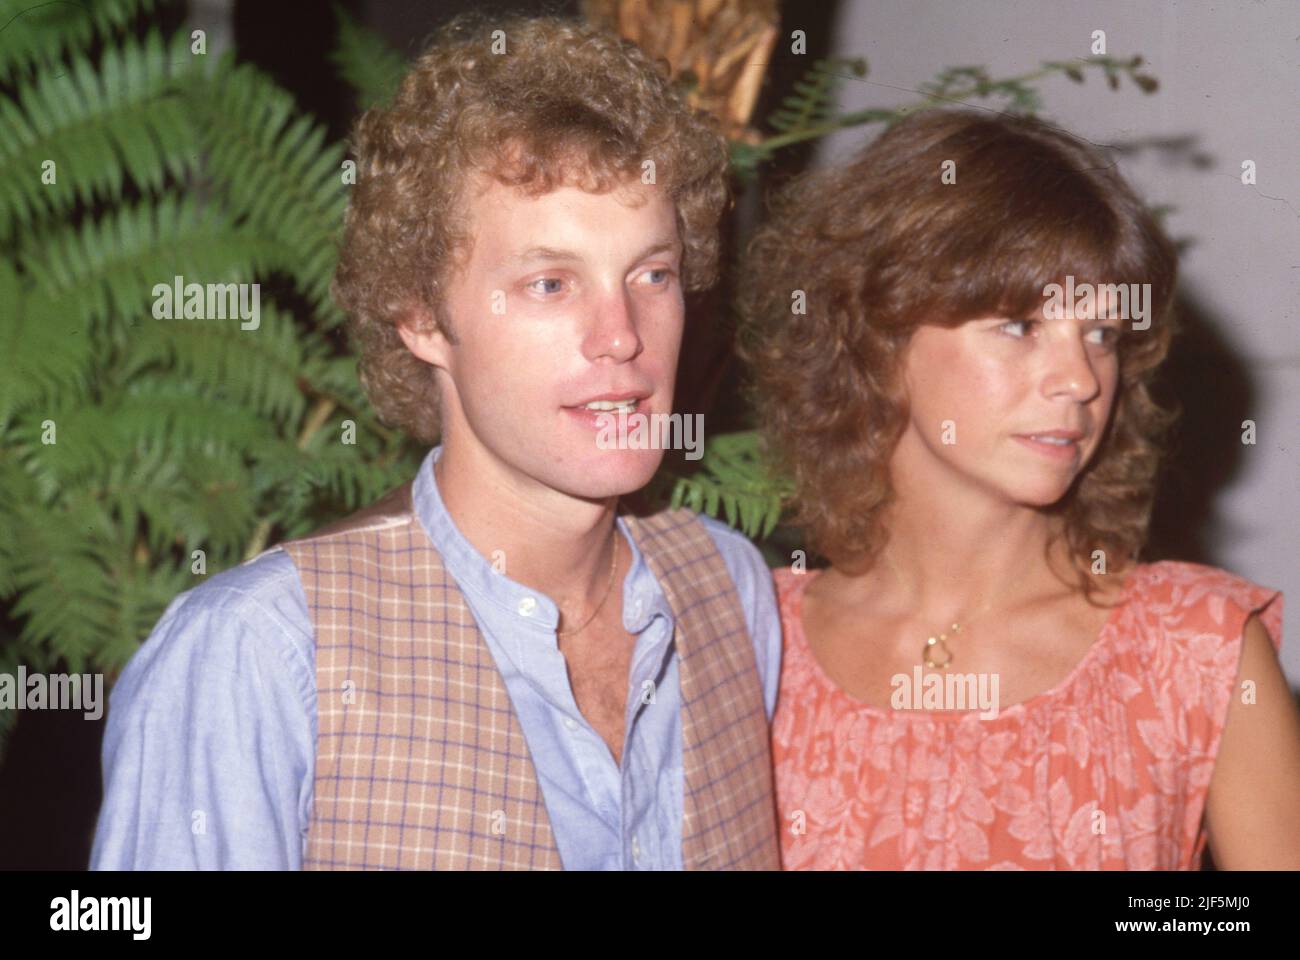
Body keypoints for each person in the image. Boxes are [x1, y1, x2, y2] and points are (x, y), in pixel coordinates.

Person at [91, 13, 782, 871]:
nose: (622, 336)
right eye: (550, 283)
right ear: (422, 318)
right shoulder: (261, 653)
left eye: (653, 273)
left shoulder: (730, 593)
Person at [738, 108, 1300, 870]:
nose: (1078, 380)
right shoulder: (744, 645)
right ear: (876, 335)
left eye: (1102, 335)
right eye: (1020, 325)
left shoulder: (1196, 649)